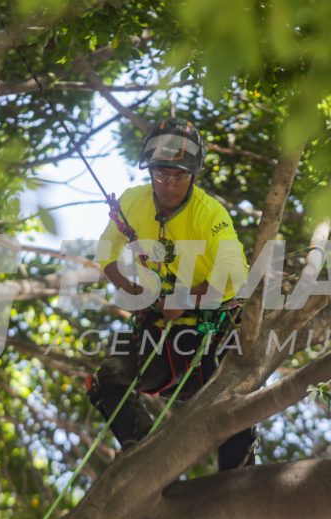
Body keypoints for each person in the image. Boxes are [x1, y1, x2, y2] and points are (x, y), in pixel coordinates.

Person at [86, 117, 256, 471]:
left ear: (193, 175)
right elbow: (106, 254)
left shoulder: (209, 214)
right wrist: (138, 293)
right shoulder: (133, 203)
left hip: (213, 333)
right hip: (162, 337)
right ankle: (146, 465)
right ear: (149, 172)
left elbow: (236, 274)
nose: (169, 183)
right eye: (161, 174)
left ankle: (237, 483)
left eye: (179, 175)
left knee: (230, 410)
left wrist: (187, 300)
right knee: (110, 376)